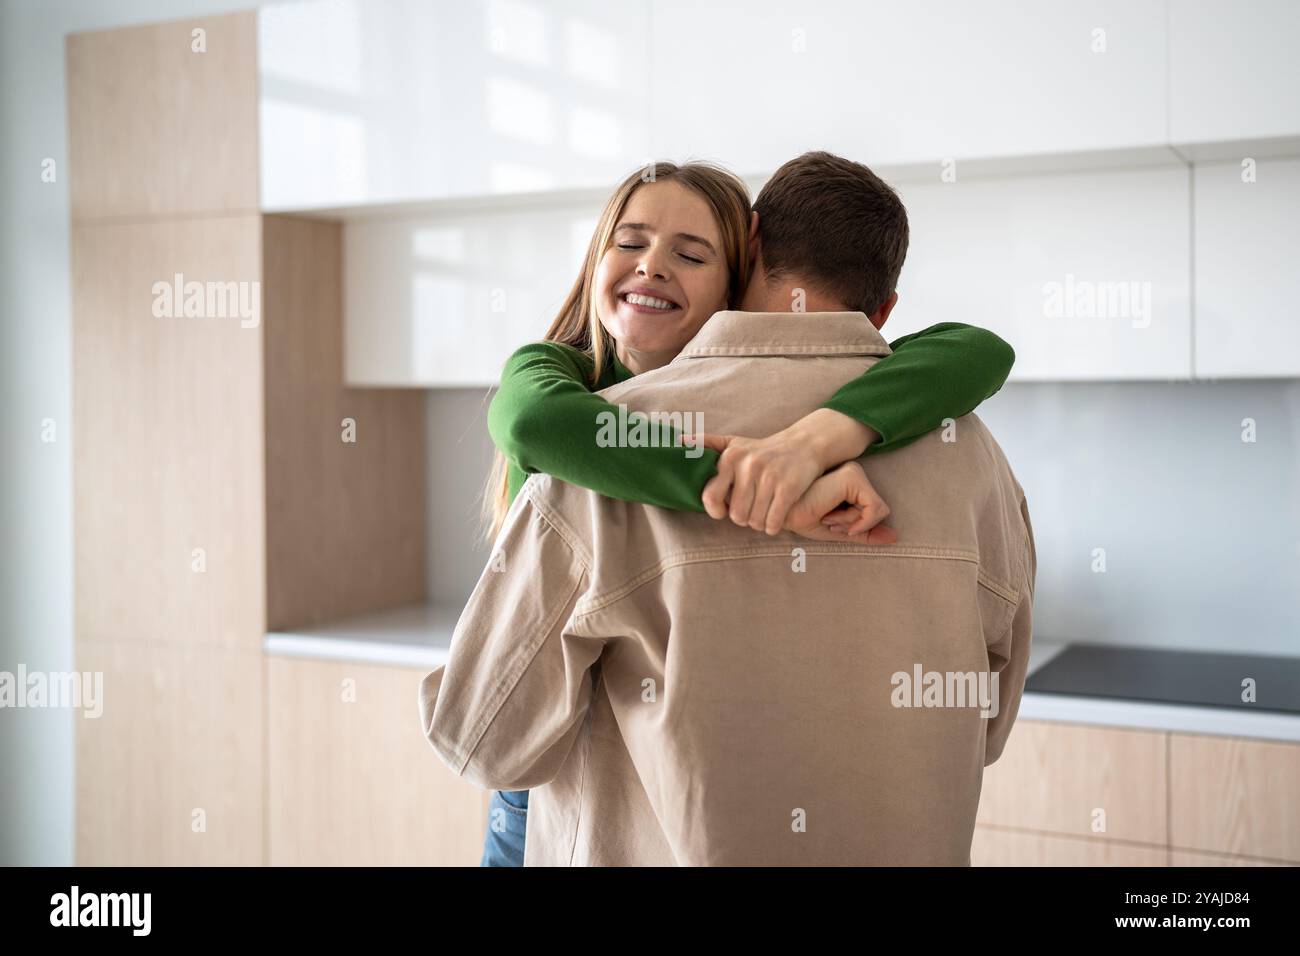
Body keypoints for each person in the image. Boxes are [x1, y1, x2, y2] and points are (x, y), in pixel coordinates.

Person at [461, 153, 1020, 865]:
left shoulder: (617, 436)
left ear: (743, 263)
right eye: (628, 242)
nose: (652, 266)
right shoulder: (561, 386)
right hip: (532, 801)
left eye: (691, 253)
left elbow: (976, 348)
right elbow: (534, 423)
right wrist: (743, 483)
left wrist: (810, 443)